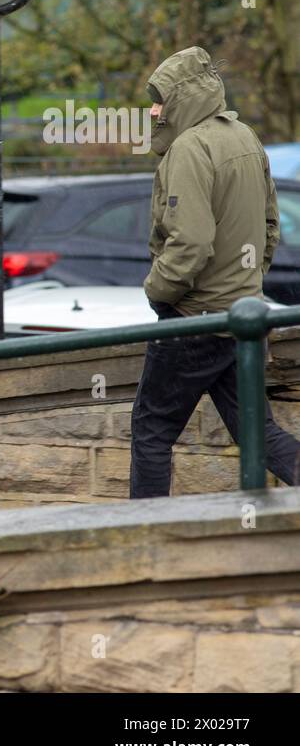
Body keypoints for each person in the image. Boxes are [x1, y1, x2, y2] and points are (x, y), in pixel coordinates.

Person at [131, 46, 300, 497]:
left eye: (160, 99)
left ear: (184, 97)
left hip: (193, 320)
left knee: (152, 433)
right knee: (257, 436)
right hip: (242, 317)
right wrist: (246, 283)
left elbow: (191, 242)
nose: (152, 110)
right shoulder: (245, 136)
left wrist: (158, 291)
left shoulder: (188, 149)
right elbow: (269, 226)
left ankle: (144, 541)